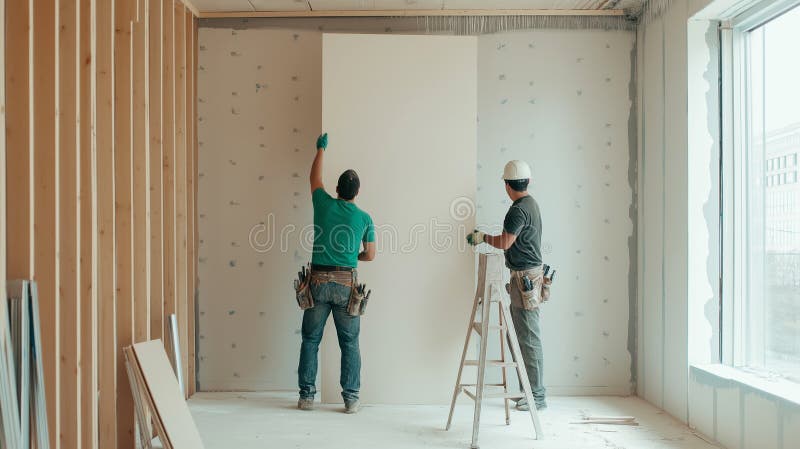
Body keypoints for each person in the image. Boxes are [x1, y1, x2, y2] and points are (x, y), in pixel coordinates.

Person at [297, 132, 376, 414]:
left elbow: (314, 179)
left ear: (337, 189)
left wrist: (321, 149)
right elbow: (370, 254)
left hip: (318, 281)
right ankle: (351, 399)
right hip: (346, 284)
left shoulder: (323, 203)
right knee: (350, 343)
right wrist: (352, 256)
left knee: (310, 340)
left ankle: (306, 397)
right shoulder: (364, 218)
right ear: (357, 192)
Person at [465, 160, 547, 411]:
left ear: (507, 185)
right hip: (527, 277)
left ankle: (537, 397)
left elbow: (505, 242)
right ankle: (529, 393)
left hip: (525, 279)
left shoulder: (517, 210)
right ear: (528, 181)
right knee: (522, 336)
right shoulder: (531, 204)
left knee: (528, 338)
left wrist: (483, 237)